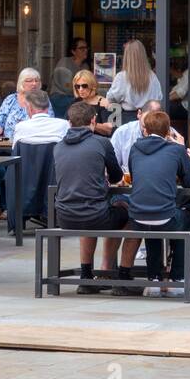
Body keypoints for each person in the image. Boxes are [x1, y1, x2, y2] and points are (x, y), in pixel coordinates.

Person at [118, 109, 190, 298]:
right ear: (168, 131)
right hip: (165, 216)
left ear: (144, 129)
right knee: (185, 218)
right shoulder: (176, 149)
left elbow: (135, 177)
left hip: (138, 216)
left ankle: (154, 280)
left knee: (152, 222)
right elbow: (189, 182)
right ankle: (178, 279)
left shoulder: (136, 148)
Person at [53, 101, 126, 293]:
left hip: (64, 216)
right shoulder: (101, 142)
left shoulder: (58, 147)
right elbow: (117, 176)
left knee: (90, 212)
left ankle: (86, 275)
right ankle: (109, 272)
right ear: (94, 120)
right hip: (94, 214)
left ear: (69, 122)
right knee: (128, 214)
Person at [112, 99, 180, 173]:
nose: (148, 131)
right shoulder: (122, 132)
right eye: (145, 126)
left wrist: (180, 148)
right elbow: (113, 166)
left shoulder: (170, 133)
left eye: (155, 126)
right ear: (139, 113)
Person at [106, 40, 163, 120]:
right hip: (150, 119)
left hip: (127, 119)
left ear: (126, 56)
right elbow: (159, 98)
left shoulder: (121, 77)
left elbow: (111, 99)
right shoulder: (153, 76)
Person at [0, 67, 49, 139]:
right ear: (21, 83)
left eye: (37, 80)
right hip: (9, 146)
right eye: (29, 81)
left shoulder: (43, 99)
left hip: (35, 144)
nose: (34, 83)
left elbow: (48, 122)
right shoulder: (11, 99)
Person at [71, 69, 114, 137]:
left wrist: (90, 123)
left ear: (92, 86)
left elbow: (109, 129)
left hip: (97, 141)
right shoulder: (76, 102)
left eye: (84, 86)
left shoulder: (103, 103)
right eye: (77, 86)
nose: (80, 89)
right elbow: (67, 121)